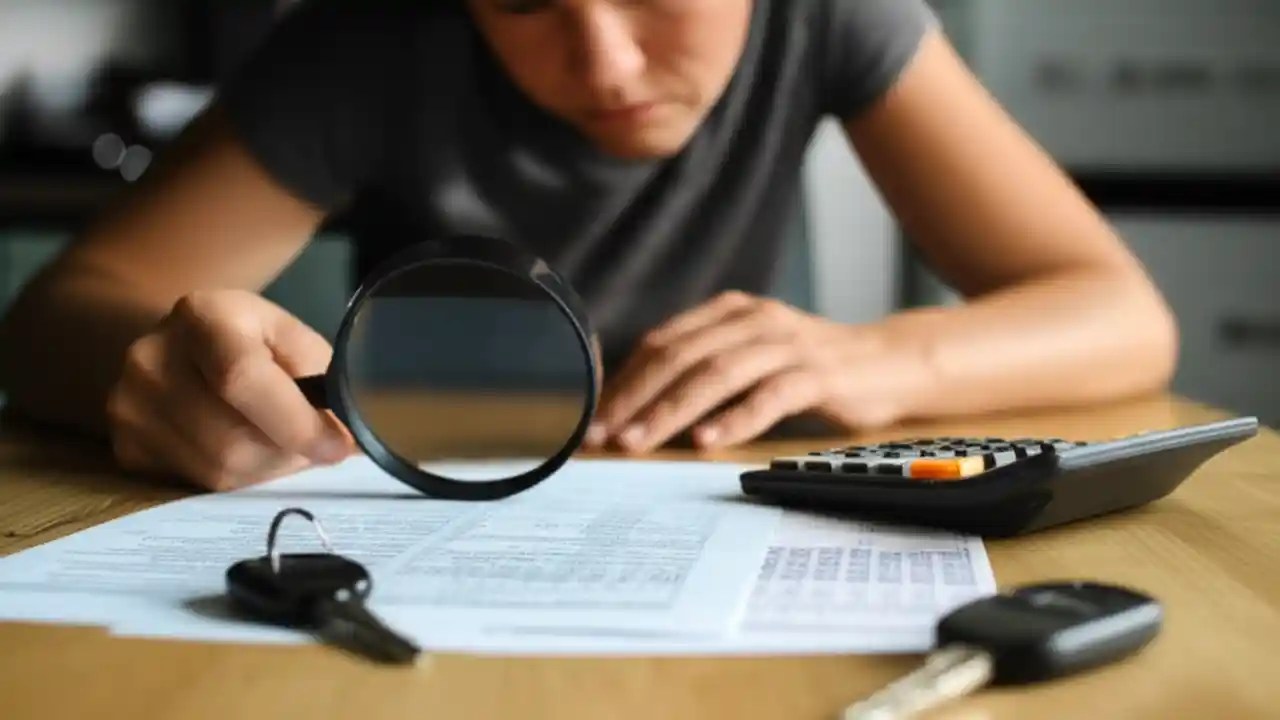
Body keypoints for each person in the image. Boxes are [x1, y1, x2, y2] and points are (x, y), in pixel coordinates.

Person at [0, 0, 1177, 492]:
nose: (606, 63)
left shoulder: (826, 12)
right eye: (521, 3)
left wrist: (878, 361)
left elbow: (1119, 310)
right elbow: (67, 307)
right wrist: (151, 368)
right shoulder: (369, 38)